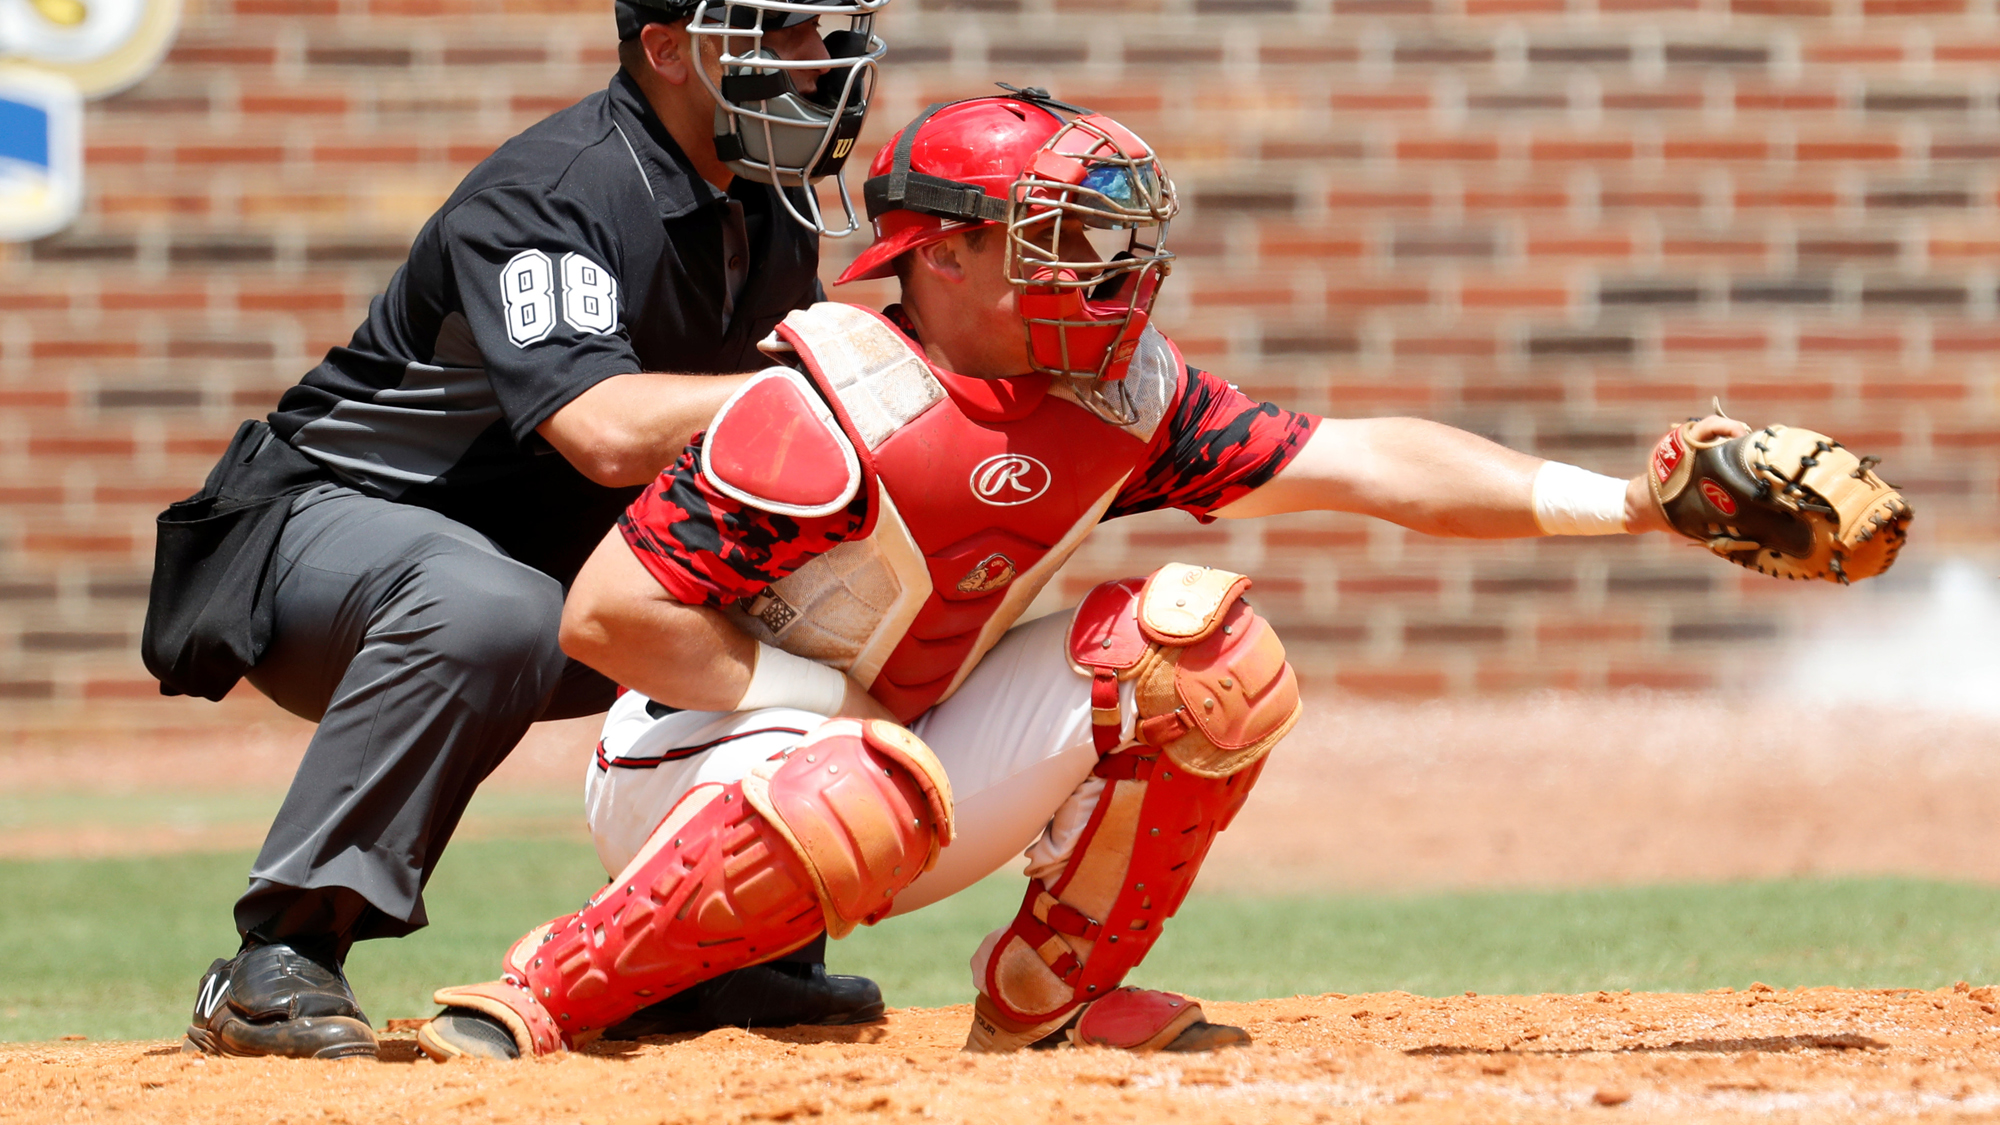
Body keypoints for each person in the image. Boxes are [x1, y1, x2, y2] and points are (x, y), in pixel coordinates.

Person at [410, 87, 1760, 1061]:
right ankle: (554, 987)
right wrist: (835, 713)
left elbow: (1363, 463)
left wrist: (1633, 506)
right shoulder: (821, 397)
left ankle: (1044, 995)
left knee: (1201, 656)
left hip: (905, 762)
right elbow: (609, 616)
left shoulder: (1117, 395)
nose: (1107, 271)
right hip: (695, 772)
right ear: (940, 252)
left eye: (1110, 235)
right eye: (1058, 236)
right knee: (855, 779)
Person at [161, 0, 901, 1062]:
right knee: (488, 605)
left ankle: (718, 949)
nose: (815, 58)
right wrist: (827, 382)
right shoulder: (556, 191)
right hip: (314, 545)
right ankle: (277, 960)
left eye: (821, 30)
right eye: (772, 28)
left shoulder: (768, 206)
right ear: (666, 49)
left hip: (526, 574)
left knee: (815, 591)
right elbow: (601, 434)